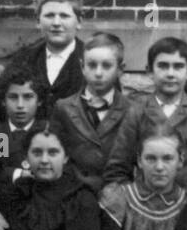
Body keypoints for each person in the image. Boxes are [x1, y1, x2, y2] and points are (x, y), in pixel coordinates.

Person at [104, 37, 187, 192]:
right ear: (150, 72)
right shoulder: (136, 113)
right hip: (148, 204)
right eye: (163, 66)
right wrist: (133, 200)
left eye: (178, 67)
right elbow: (117, 169)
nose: (170, 74)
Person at [51, 31, 130, 193]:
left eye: (107, 66)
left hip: (118, 194)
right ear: (82, 67)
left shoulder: (132, 110)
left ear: (120, 69)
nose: (99, 73)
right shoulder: (64, 108)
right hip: (74, 194)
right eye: (92, 65)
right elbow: (54, 154)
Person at [8, 0, 89, 104]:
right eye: (49, 15)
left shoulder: (92, 60)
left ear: (79, 22)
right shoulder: (23, 59)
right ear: (38, 21)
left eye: (64, 16)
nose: (56, 23)